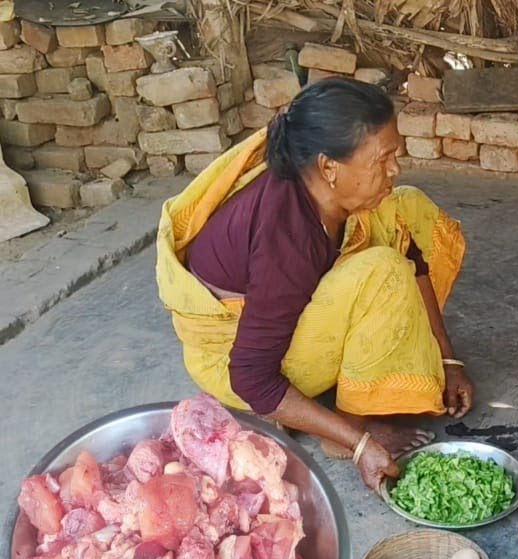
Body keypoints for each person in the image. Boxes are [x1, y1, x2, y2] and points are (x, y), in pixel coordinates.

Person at [156, 78, 473, 490]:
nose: (395, 167)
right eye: (383, 158)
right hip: (230, 358)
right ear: (329, 167)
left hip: (269, 326)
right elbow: (251, 378)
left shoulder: (319, 190)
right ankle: (344, 425)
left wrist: (449, 361)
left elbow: (415, 257)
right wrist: (359, 444)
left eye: (395, 154)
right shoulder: (287, 240)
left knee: (405, 205)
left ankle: (354, 399)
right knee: (383, 272)